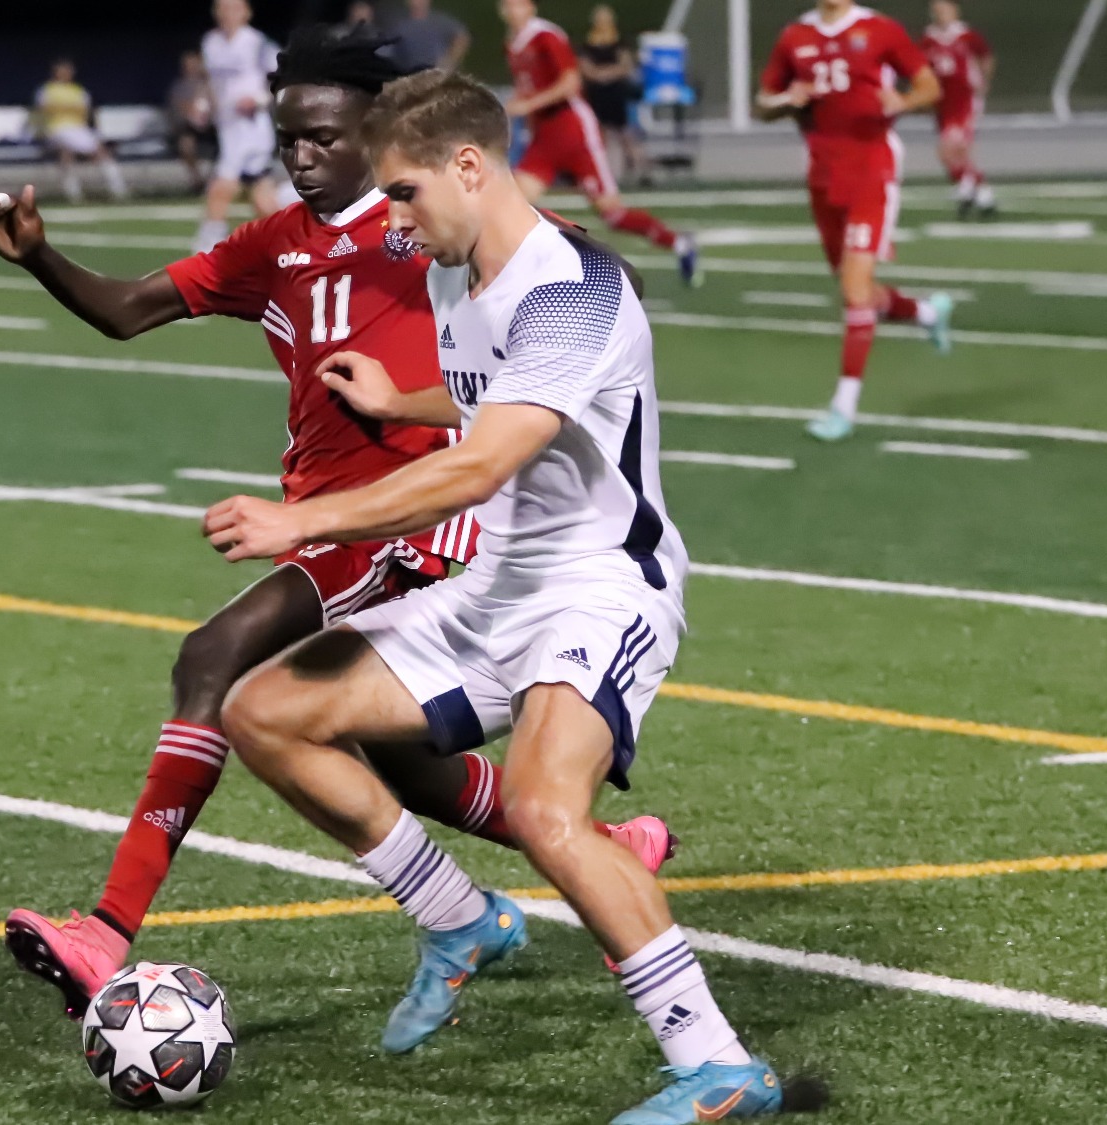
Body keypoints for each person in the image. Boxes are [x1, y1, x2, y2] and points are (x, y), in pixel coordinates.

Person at [0, 26, 676, 1021]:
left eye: (323, 137)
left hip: (406, 521)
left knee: (214, 660)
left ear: (377, 133)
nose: (301, 156)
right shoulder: (275, 244)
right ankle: (601, 853)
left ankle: (108, 931)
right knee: (404, 767)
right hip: (330, 519)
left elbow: (592, 280)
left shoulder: (421, 218)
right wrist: (40, 256)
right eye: (287, 139)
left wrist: (441, 394)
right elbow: (129, 310)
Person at [210, 68, 784, 1125]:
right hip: (495, 590)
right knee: (264, 710)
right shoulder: (456, 265)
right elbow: (493, 392)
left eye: (402, 192)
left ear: (468, 166)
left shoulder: (571, 289)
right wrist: (403, 399)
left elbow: (479, 466)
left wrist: (302, 520)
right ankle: (458, 918)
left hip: (601, 589)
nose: (391, 219)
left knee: (542, 808)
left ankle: (718, 1065)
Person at [758, 0, 955, 443]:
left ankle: (843, 407)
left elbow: (929, 86)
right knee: (857, 289)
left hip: (872, 168)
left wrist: (903, 100)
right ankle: (926, 312)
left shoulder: (879, 29)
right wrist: (787, 100)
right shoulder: (795, 36)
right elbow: (763, 102)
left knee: (854, 288)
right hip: (824, 174)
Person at [499, 0, 698, 286]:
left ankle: (678, 242)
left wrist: (528, 105)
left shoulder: (545, 36)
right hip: (545, 136)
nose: (511, 9)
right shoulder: (514, 43)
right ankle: (526, 275)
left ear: (531, 6)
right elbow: (529, 87)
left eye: (517, 3)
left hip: (574, 130)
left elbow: (569, 83)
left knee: (612, 214)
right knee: (512, 204)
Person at [195, 0, 285, 252]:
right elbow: (210, 82)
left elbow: (281, 76)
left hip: (251, 128)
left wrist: (258, 99)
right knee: (263, 201)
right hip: (227, 128)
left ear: (246, 12)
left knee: (220, 187)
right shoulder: (211, 43)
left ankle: (206, 249)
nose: (228, 14)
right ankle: (294, 241)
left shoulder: (257, 43)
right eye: (223, 8)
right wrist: (203, 105)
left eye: (234, 8)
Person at [921, 1, 996, 217]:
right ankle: (974, 190)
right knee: (952, 154)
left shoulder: (967, 36)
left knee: (952, 149)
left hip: (965, 100)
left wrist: (984, 81)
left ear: (954, 11)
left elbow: (986, 57)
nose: (940, 14)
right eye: (937, 11)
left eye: (944, 10)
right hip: (943, 102)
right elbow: (922, 67)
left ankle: (976, 190)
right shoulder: (929, 39)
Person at [33, 58, 129, 203]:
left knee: (100, 152)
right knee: (66, 151)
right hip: (56, 129)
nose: (66, 73)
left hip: (79, 129)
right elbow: (41, 113)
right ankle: (73, 193)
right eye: (63, 70)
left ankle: (118, 189)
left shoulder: (78, 91)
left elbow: (89, 113)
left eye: (69, 70)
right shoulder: (47, 91)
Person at [579, 5, 647, 189]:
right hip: (596, 93)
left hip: (616, 92)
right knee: (600, 134)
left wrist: (608, 74)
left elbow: (625, 65)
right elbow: (585, 67)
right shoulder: (588, 45)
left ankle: (641, 169)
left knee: (624, 132)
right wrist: (598, 75)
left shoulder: (619, 43)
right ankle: (601, 172)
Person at [168, 50, 218, 193]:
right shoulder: (179, 86)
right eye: (188, 64)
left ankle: (213, 182)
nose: (191, 67)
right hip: (190, 126)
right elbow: (179, 107)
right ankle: (197, 181)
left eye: (194, 64)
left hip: (213, 126)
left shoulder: (212, 83)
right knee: (186, 144)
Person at [388, 0, 471, 74]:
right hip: (410, 76)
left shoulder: (440, 21)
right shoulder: (399, 24)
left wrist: (450, 60)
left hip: (437, 75)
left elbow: (462, 37)